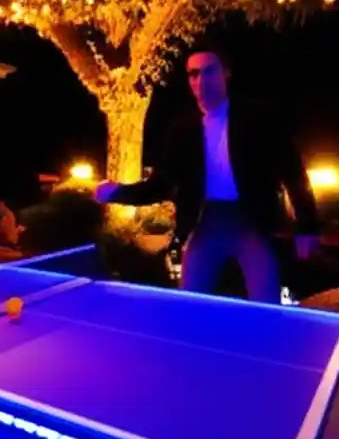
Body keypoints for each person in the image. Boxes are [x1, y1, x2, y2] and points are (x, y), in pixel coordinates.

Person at [93, 46, 319, 303]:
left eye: (209, 71)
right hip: (207, 221)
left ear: (226, 73)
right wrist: (117, 192)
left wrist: (307, 226)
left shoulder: (258, 119)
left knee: (265, 302)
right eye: (193, 74)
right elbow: (161, 184)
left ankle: (267, 342)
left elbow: (293, 172)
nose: (201, 81)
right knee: (191, 301)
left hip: (251, 221)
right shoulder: (183, 131)